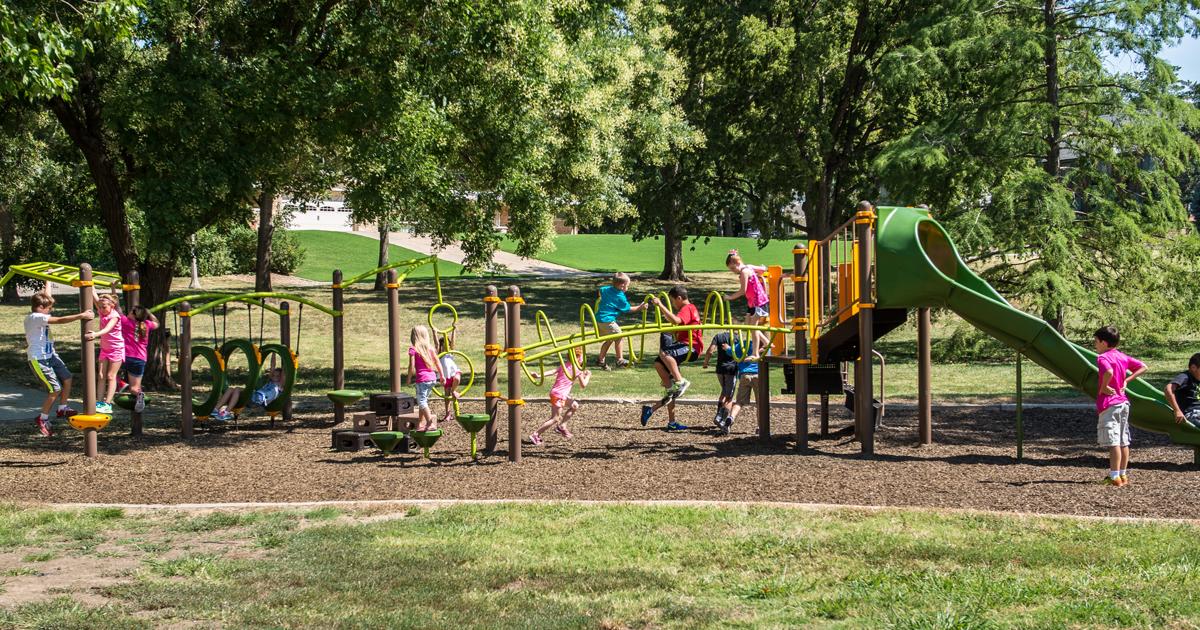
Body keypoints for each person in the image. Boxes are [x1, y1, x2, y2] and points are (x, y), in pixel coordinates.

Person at [25, 283, 94, 436]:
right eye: (49, 308)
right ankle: (42, 418)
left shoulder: (40, 313)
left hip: (51, 355)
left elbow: (47, 298)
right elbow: (60, 320)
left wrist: (48, 280)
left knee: (67, 378)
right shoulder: (35, 317)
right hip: (39, 359)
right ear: (41, 307)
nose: (50, 310)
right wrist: (81, 315)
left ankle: (62, 408)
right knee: (55, 389)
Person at [639, 285, 703, 431]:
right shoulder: (687, 310)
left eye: (673, 301)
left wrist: (660, 305)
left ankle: (680, 382)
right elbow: (675, 322)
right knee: (659, 364)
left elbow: (676, 320)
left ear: (679, 298)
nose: (673, 305)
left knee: (665, 353)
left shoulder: (687, 308)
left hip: (690, 346)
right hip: (680, 347)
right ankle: (667, 418)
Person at [1093, 325, 1146, 487]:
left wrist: (1104, 387)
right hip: (1123, 403)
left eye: (1096, 341)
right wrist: (1126, 381)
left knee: (1113, 441)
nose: (1095, 344)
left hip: (1110, 404)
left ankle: (1114, 476)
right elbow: (1143, 367)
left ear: (1103, 342)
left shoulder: (1103, 358)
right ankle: (1123, 474)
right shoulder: (1122, 356)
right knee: (1123, 441)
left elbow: (1108, 372)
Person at [530, 346, 591, 445]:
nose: (583, 360)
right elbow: (583, 385)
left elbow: (552, 371)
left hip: (557, 393)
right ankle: (536, 434)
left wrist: (538, 375)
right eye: (582, 357)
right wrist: (588, 376)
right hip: (560, 395)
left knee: (574, 405)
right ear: (577, 358)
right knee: (555, 418)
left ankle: (562, 426)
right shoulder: (577, 369)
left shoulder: (565, 365)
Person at [594, 272, 648, 370]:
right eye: (627, 286)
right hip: (607, 320)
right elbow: (628, 309)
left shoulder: (606, 289)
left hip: (599, 319)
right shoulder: (620, 296)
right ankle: (620, 359)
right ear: (622, 286)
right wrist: (640, 307)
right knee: (619, 335)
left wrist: (604, 300)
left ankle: (600, 360)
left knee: (610, 339)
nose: (627, 288)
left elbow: (600, 291)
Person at [722, 330, 770, 435]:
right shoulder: (765, 347)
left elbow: (731, 351)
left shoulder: (743, 344)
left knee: (739, 402)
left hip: (744, 375)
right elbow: (769, 351)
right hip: (759, 375)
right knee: (760, 403)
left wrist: (727, 347)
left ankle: (731, 418)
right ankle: (760, 427)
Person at [85, 291, 124, 414]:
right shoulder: (103, 311)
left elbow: (107, 329)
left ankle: (108, 404)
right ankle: (100, 401)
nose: (101, 309)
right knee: (101, 375)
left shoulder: (114, 316)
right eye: (100, 307)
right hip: (105, 349)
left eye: (104, 307)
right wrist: (90, 285)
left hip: (116, 349)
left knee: (111, 376)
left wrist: (95, 334)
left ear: (112, 306)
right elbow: (94, 296)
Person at [120, 305, 158, 412]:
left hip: (125, 357)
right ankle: (139, 394)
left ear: (133, 314)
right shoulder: (147, 324)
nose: (128, 312)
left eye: (131, 311)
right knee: (134, 388)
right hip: (140, 359)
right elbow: (157, 323)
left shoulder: (125, 322)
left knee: (108, 372)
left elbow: (117, 310)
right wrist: (149, 313)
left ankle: (121, 384)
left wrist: (116, 301)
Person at [407, 325, 445, 432]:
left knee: (422, 401)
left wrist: (409, 378)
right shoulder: (430, 348)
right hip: (432, 379)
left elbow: (411, 366)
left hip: (422, 380)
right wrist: (442, 376)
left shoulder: (413, 349)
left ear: (414, 336)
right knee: (422, 401)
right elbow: (437, 362)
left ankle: (430, 423)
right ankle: (420, 423)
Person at [210, 367, 284, 421]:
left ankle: (226, 412)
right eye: (273, 375)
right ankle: (215, 409)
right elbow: (272, 366)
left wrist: (286, 355)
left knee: (237, 389)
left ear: (281, 377)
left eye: (277, 376)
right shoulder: (270, 381)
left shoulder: (280, 385)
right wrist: (273, 354)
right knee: (230, 389)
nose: (274, 377)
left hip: (258, 400)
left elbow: (284, 373)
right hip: (254, 396)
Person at [703, 330, 739, 429]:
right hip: (731, 370)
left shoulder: (718, 336)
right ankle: (722, 419)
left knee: (724, 391)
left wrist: (706, 362)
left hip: (720, 369)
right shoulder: (737, 338)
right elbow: (739, 353)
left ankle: (718, 415)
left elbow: (710, 350)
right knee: (729, 397)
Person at [725, 249, 769, 326]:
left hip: (758, 302)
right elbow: (762, 269)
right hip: (752, 302)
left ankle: (759, 335)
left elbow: (742, 291)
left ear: (738, 263)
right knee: (747, 325)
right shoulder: (749, 267)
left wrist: (730, 297)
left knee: (753, 328)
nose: (733, 271)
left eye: (733, 268)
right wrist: (758, 275)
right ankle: (761, 335)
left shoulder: (744, 272)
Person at [1164, 352, 1200, 430]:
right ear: (1193, 367)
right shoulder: (1184, 377)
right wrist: (1177, 411)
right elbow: (1168, 389)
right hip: (1192, 413)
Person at [438, 333, 461, 424]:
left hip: (454, 373)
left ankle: (454, 390)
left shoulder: (451, 352)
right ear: (441, 345)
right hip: (446, 376)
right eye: (444, 344)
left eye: (447, 343)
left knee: (457, 379)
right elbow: (436, 343)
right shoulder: (439, 354)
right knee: (447, 396)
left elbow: (453, 342)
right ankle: (448, 414)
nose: (446, 345)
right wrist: (434, 332)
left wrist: (454, 330)